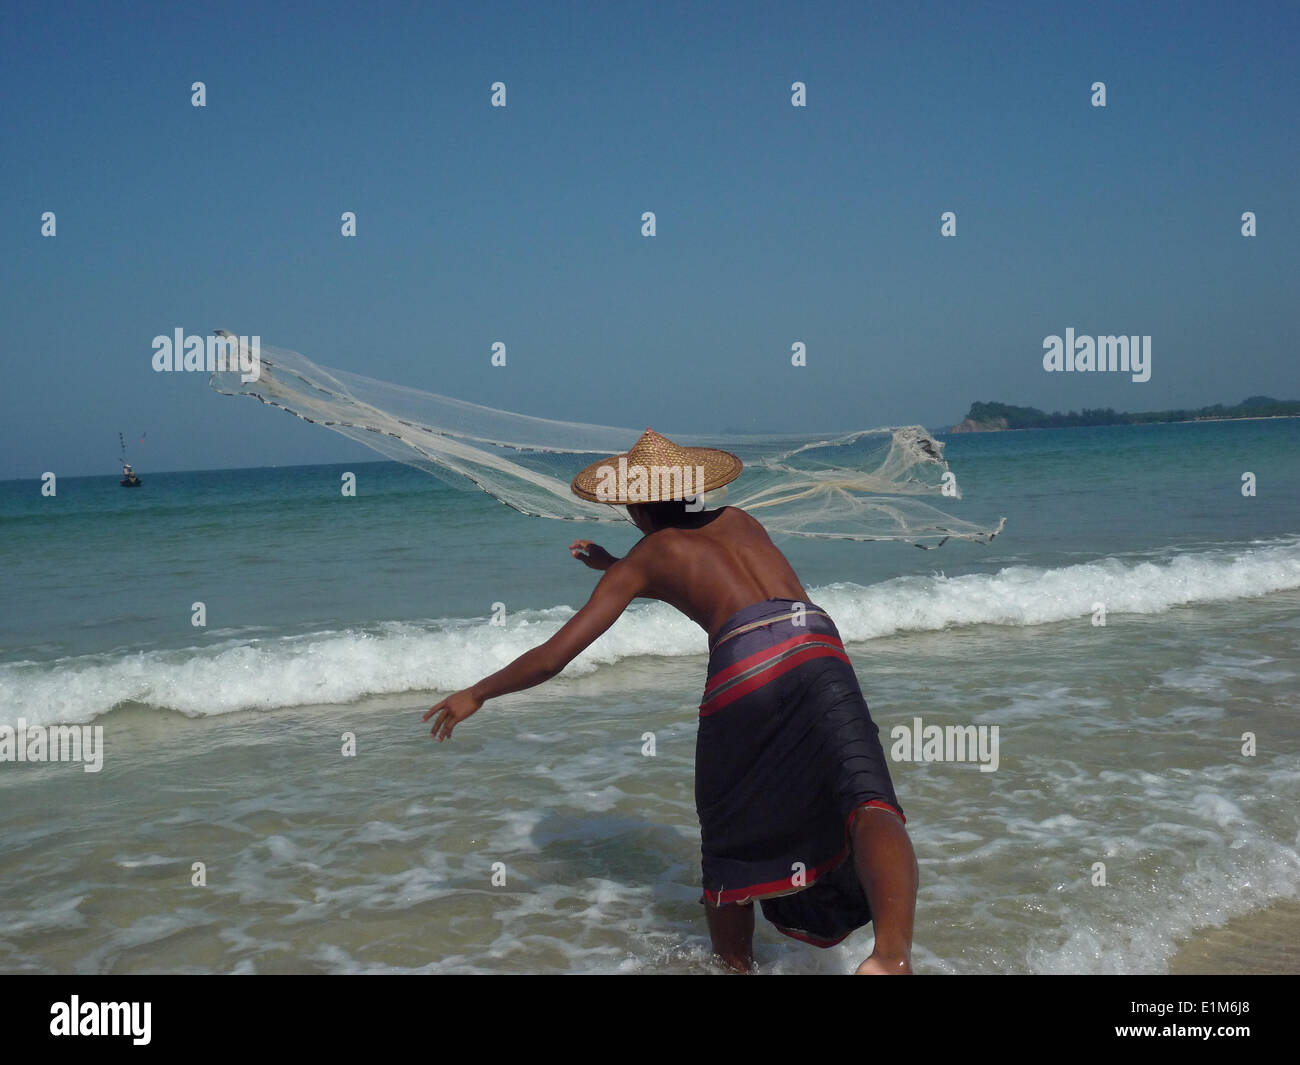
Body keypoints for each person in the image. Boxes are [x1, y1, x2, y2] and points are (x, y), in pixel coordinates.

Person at [425, 429, 918, 973]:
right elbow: (712, 575)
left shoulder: (645, 557)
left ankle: (736, 967)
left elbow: (553, 656)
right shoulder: (740, 520)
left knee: (727, 836)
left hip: (745, 663)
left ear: (635, 505)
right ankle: (892, 959)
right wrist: (618, 565)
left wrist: (477, 693)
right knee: (865, 798)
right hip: (818, 643)